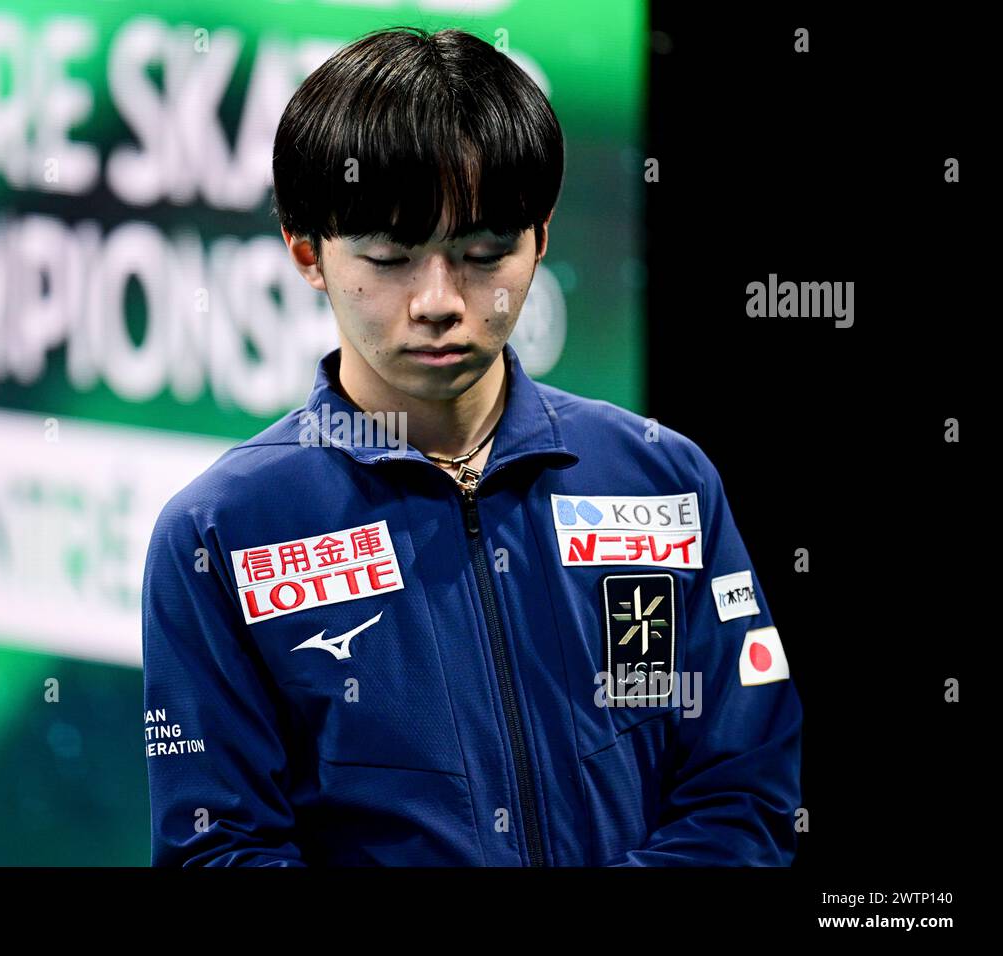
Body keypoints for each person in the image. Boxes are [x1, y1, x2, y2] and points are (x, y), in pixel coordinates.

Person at [141, 25, 802, 866]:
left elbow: (745, 797)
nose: (440, 301)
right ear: (307, 253)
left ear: (542, 239)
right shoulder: (219, 533)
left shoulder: (665, 479)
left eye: (485, 252)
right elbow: (221, 850)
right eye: (390, 257)